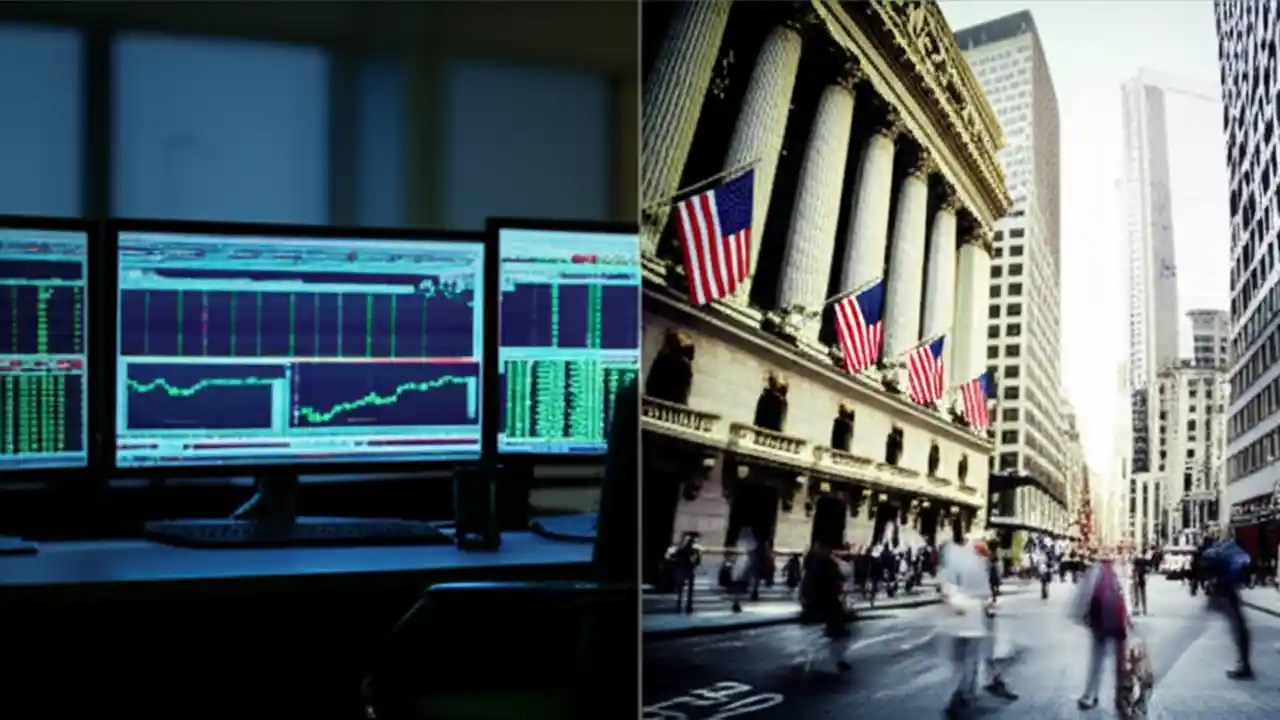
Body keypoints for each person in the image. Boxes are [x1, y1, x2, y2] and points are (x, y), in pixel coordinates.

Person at [939, 522, 1016, 717]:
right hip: (972, 614)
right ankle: (964, 694)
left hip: (963, 615)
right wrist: (986, 602)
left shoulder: (956, 555)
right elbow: (981, 588)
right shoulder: (974, 560)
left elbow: (948, 586)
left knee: (965, 658)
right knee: (971, 657)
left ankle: (968, 691)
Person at [1071, 547, 1130, 710]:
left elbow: (1086, 595)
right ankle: (1119, 697)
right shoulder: (1116, 569)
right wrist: (1129, 617)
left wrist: (1081, 614)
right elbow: (1125, 595)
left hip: (1104, 621)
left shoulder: (1098, 570)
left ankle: (1092, 695)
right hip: (1114, 620)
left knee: (1098, 659)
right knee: (1117, 661)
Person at [1203, 531, 1254, 679]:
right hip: (1228, 592)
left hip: (1227, 592)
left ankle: (1244, 666)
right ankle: (1244, 664)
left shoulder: (1228, 552)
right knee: (1239, 628)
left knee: (1238, 628)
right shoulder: (1235, 554)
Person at [799, 539, 853, 674]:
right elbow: (838, 578)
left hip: (814, 599)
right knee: (838, 632)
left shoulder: (811, 561)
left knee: (825, 630)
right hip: (826, 600)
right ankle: (837, 660)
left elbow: (807, 581)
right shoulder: (827, 562)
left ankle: (813, 660)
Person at [1131, 549, 1149, 616]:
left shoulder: (1136, 564)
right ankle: (1144, 609)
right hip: (1142, 579)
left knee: (1136, 594)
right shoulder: (1144, 561)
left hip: (1137, 579)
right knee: (1142, 593)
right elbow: (1147, 570)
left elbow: (1134, 570)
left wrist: (1134, 577)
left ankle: (1137, 608)